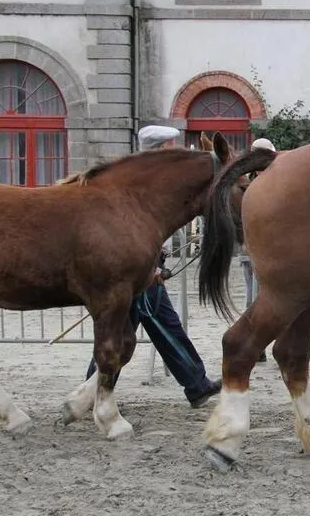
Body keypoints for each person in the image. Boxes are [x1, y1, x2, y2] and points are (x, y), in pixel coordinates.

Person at [84, 124, 221, 409]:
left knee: (130, 330)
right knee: (147, 329)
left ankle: (196, 384)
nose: (172, 152)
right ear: (157, 148)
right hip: (139, 265)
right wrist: (151, 268)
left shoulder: (148, 182)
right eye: (168, 146)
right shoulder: (142, 184)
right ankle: (90, 393)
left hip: (147, 263)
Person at [240, 136, 277, 362]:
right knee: (252, 298)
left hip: (276, 251)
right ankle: (257, 347)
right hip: (252, 251)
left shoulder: (280, 180)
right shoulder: (246, 183)